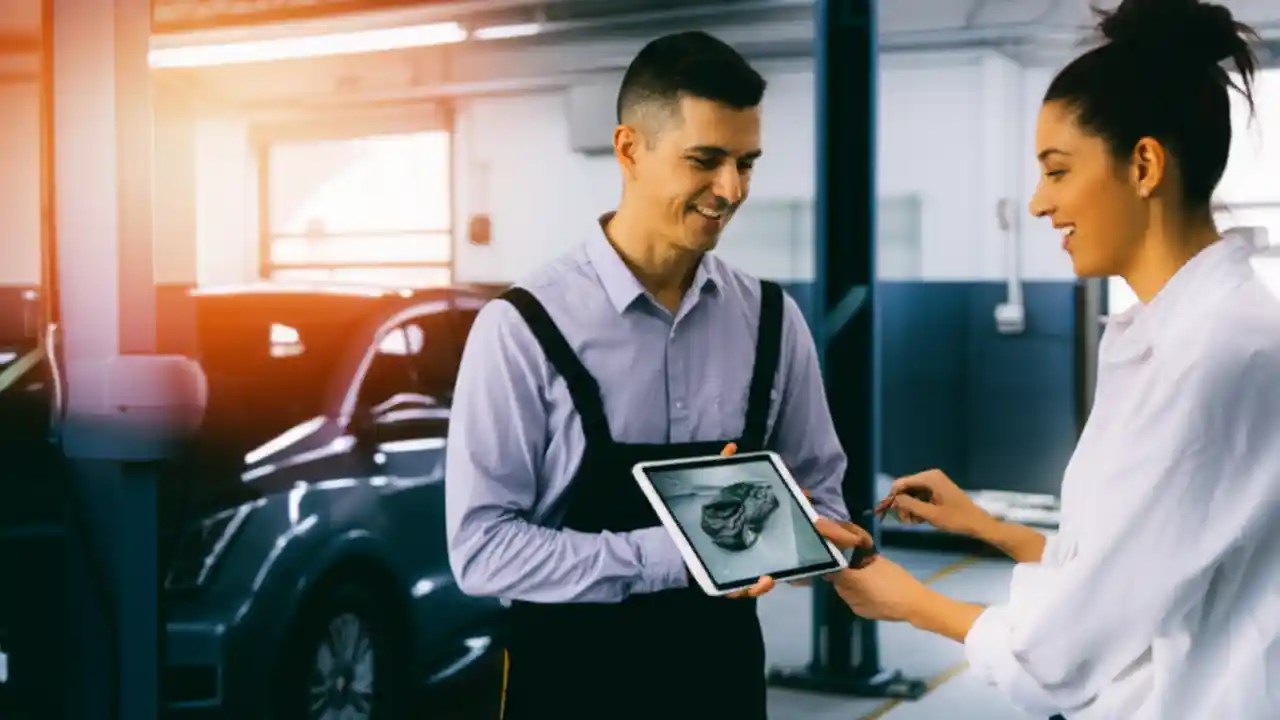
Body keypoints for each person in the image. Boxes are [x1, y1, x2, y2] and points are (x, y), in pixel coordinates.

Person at [813, 1, 1280, 719]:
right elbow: (1131, 570)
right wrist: (988, 528)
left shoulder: (1214, 357)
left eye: (1057, 171)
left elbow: (1061, 653)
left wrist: (910, 602)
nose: (1038, 203)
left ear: (1145, 164)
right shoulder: (1178, 334)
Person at [444, 31, 850, 720]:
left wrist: (810, 536)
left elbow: (824, 505)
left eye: (746, 163)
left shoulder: (774, 322)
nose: (731, 190)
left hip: (720, 686)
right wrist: (678, 553)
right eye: (706, 160)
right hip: (569, 687)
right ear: (630, 149)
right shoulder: (523, 328)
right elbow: (483, 551)